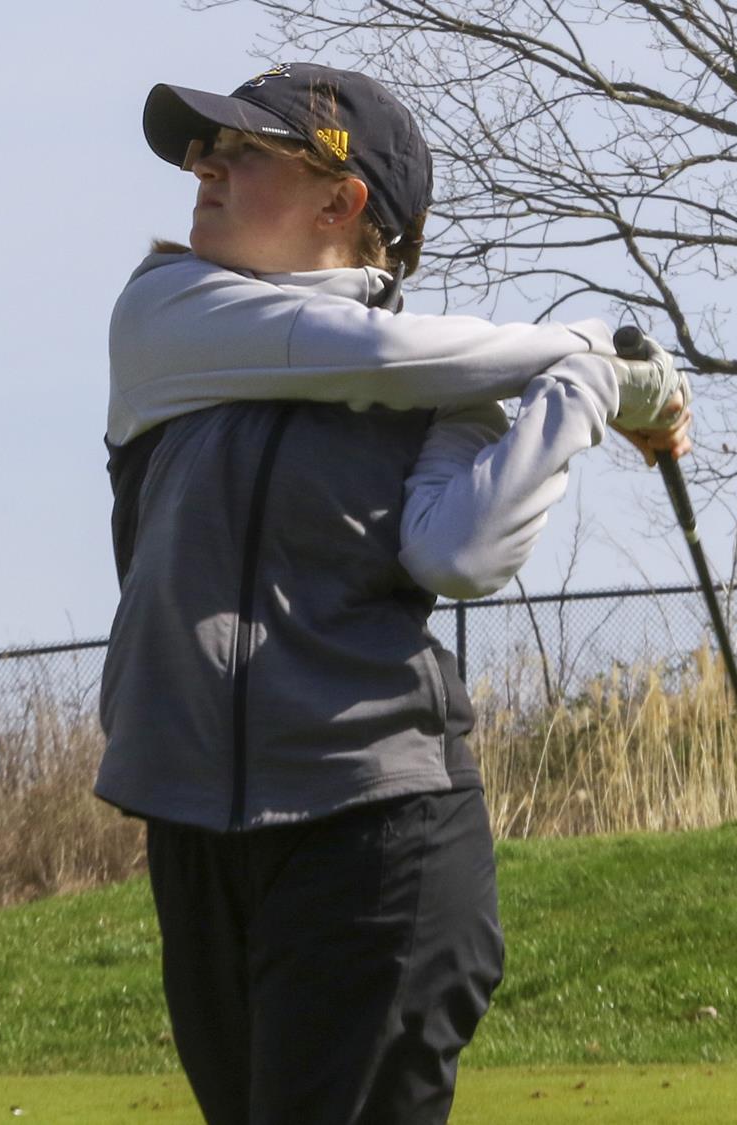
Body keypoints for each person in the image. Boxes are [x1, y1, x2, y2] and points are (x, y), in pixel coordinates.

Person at [96, 62, 689, 1125]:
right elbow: (360, 349)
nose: (203, 168)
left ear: (341, 201)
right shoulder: (164, 311)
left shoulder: (449, 394)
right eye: (203, 148)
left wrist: (575, 399)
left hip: (378, 828)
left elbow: (458, 558)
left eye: (241, 151)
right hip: (193, 828)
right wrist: (598, 355)